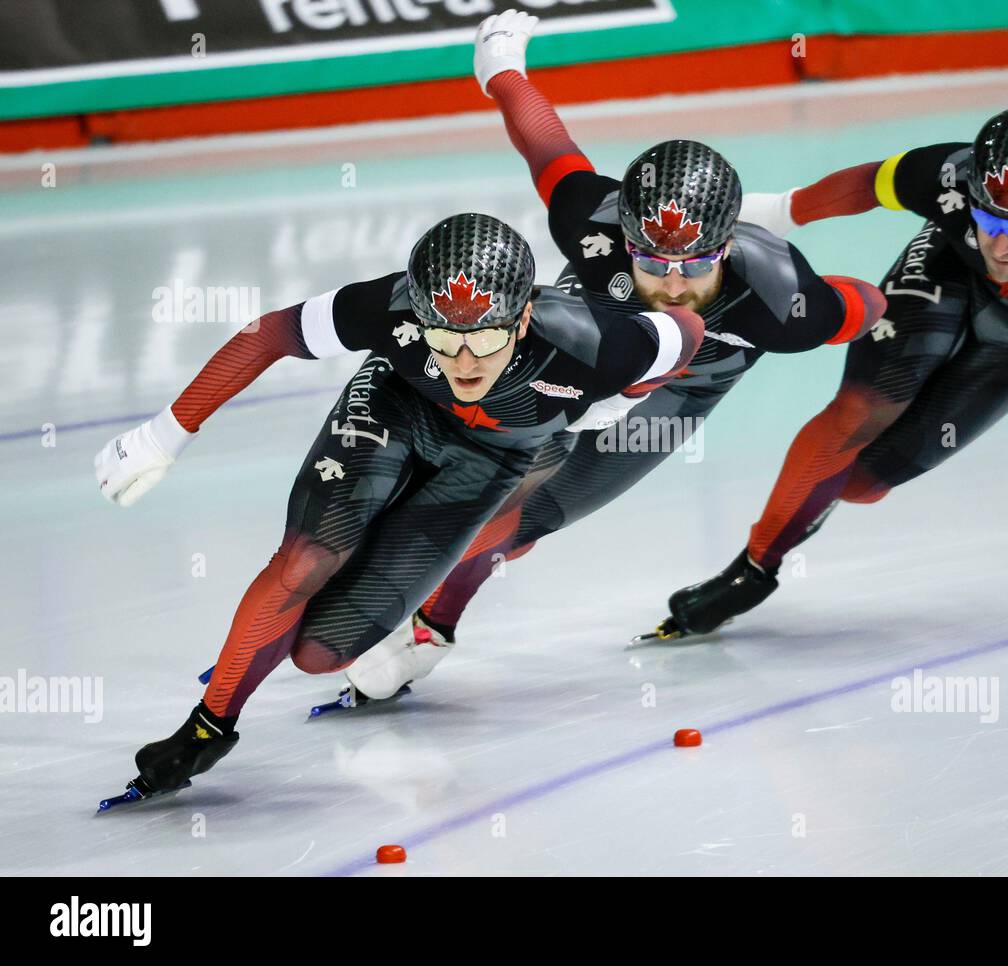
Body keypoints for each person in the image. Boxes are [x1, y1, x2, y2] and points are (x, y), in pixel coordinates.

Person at [340, 9, 888, 697]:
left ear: (727, 250)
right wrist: (501, 64)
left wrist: (826, 260)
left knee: (527, 520)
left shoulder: (781, 302)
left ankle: (433, 627)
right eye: (650, 259)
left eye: (694, 266)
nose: (669, 285)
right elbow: (546, 142)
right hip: (582, 355)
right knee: (482, 480)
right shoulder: (592, 219)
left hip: (677, 393)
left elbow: (866, 304)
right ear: (622, 235)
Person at [93, 212, 703, 802]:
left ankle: (275, 632)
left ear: (521, 321)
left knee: (319, 654)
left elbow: (688, 334)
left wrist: (614, 404)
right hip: (396, 408)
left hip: (491, 459)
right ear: (420, 318)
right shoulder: (389, 310)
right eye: (444, 338)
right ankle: (208, 726)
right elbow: (271, 332)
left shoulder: (598, 343)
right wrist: (163, 435)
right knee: (309, 558)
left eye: (485, 339)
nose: (464, 362)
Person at [659, 103, 1008, 636]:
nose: (1001, 243)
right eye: (987, 218)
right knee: (860, 412)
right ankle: (755, 569)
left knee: (858, 484)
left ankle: (813, 506)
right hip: (947, 267)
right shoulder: (948, 174)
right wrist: (784, 209)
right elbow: (868, 183)